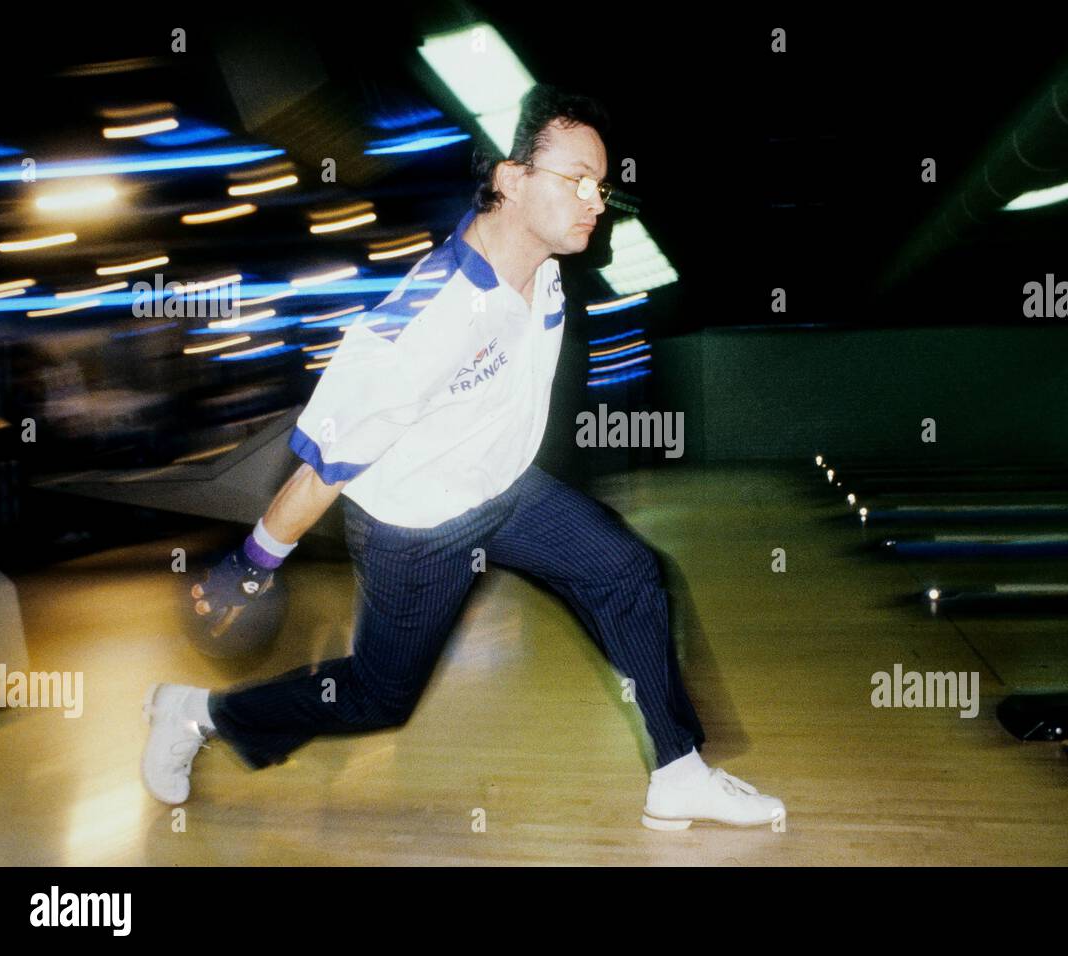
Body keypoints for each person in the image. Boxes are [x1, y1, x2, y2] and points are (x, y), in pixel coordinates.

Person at [142, 84, 785, 830]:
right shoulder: (421, 323)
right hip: (416, 528)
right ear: (510, 181)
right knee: (379, 698)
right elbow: (324, 469)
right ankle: (197, 715)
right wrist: (250, 567)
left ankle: (679, 771)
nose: (595, 199)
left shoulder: (543, 266)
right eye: (576, 179)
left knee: (629, 573)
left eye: (600, 184)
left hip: (504, 489)